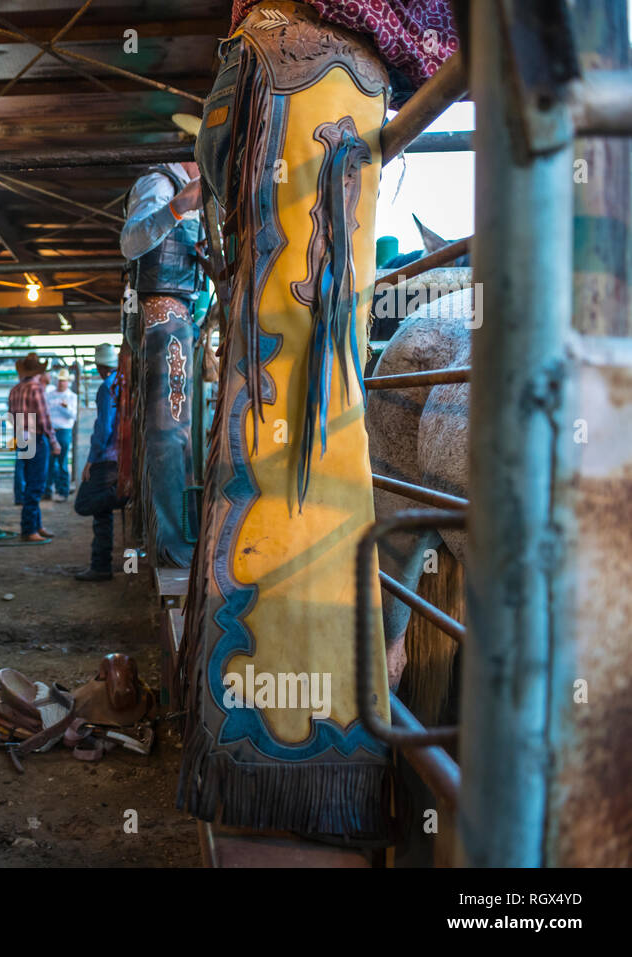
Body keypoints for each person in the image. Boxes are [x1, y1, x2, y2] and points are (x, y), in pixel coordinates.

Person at [178, 0, 459, 842]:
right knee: (307, 416)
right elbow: (441, 34)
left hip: (282, 71)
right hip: (320, 88)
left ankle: (260, 725)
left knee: (283, 404)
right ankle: (295, 750)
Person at [119, 160, 203, 568]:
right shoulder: (161, 183)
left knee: (177, 428)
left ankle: (179, 537)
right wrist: (179, 205)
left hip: (178, 313)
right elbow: (131, 241)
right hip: (162, 311)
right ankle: (175, 546)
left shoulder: (192, 193)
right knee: (170, 429)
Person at [73, 344, 126, 581]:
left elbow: (104, 427)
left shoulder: (108, 387)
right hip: (122, 456)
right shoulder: (124, 383)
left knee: (84, 503)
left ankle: (125, 495)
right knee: (101, 512)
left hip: (107, 458)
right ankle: (100, 564)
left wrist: (91, 460)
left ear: (99, 366)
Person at [7, 353, 60, 542]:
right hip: (36, 438)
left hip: (22, 438)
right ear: (38, 371)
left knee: (29, 481)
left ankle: (36, 525)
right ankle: (29, 528)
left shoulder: (15, 390)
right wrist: (53, 441)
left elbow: (11, 416)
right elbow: (44, 418)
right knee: (36, 484)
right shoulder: (36, 389)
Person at [45, 368, 78, 501]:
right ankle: (48, 490)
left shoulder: (71, 397)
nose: (61, 383)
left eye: (63, 380)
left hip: (64, 431)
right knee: (50, 462)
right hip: (51, 430)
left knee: (62, 461)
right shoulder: (50, 394)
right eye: (60, 380)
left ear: (67, 382)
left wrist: (66, 408)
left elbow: (73, 416)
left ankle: (62, 491)